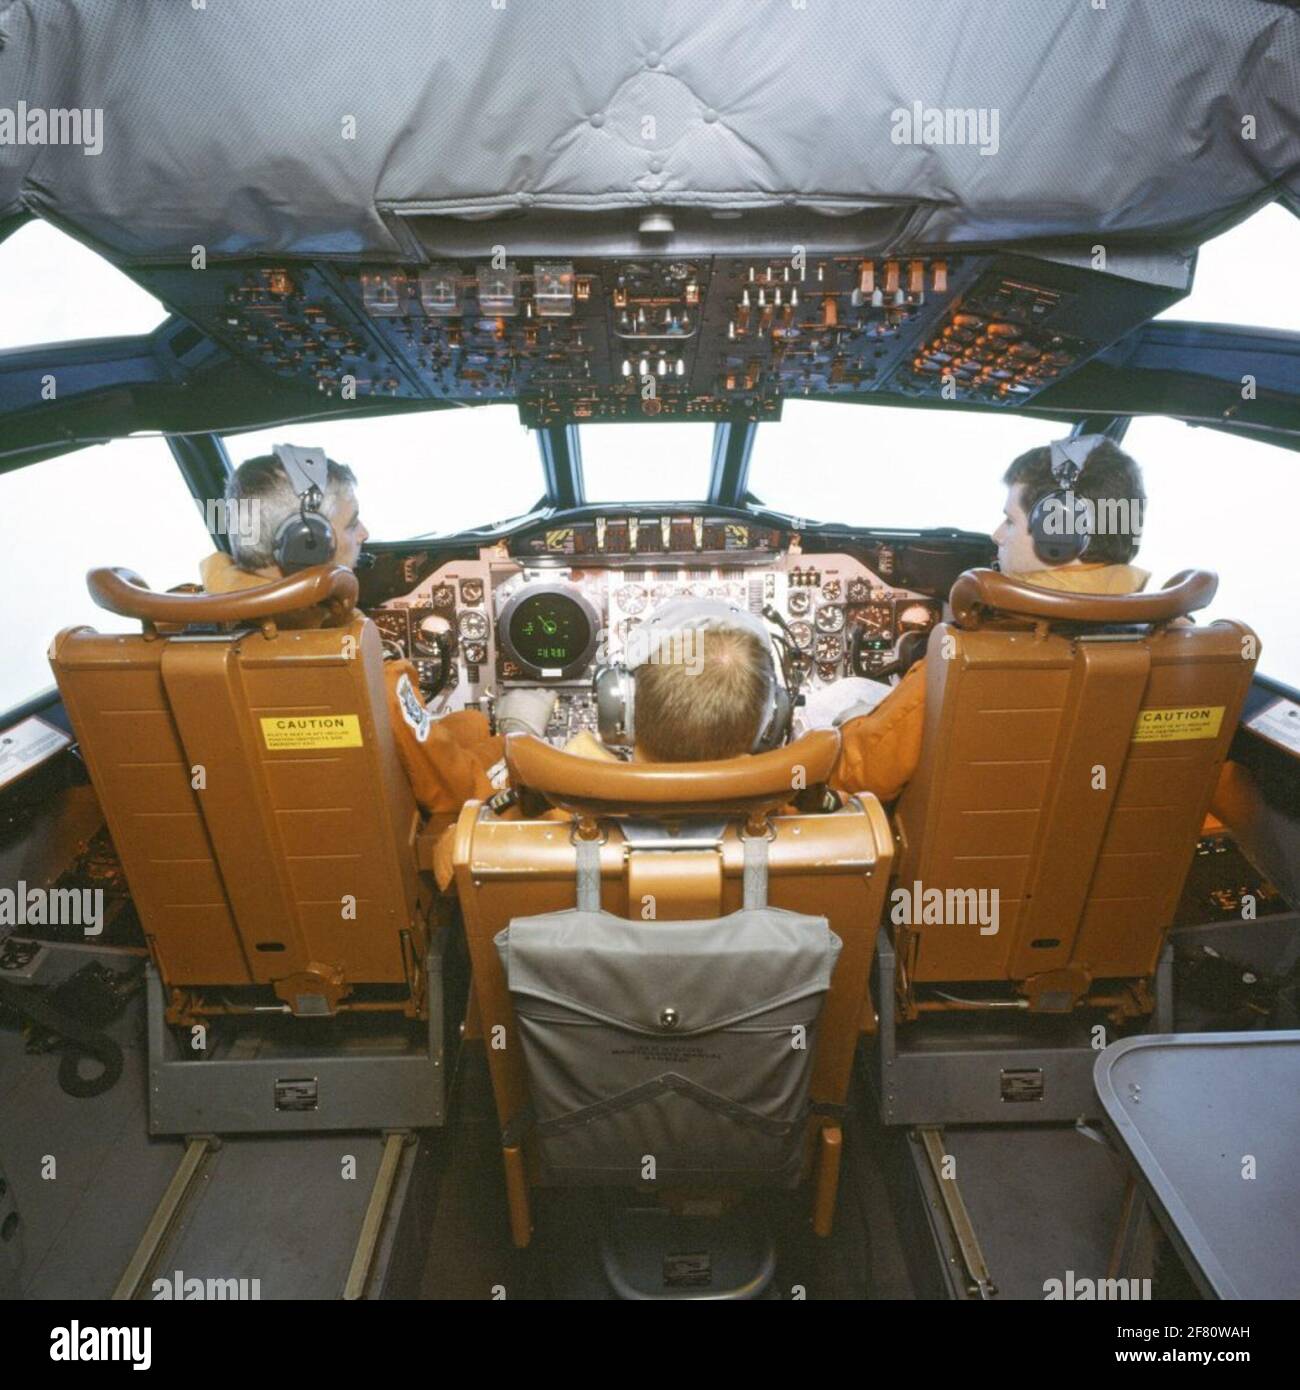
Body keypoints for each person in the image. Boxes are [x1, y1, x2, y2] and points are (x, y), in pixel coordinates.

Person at [199, 450, 538, 819]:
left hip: (290, 824)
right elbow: (457, 793)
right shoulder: (365, 665)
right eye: (351, 523)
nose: (365, 534)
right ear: (307, 543)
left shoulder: (186, 630)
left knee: (471, 725)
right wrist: (522, 739)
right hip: (393, 842)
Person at [830, 436, 1151, 803]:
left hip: (944, 854)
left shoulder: (969, 653)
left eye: (1010, 521)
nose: (997, 535)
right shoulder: (1179, 641)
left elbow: (857, 776)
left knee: (841, 701)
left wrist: (852, 723)